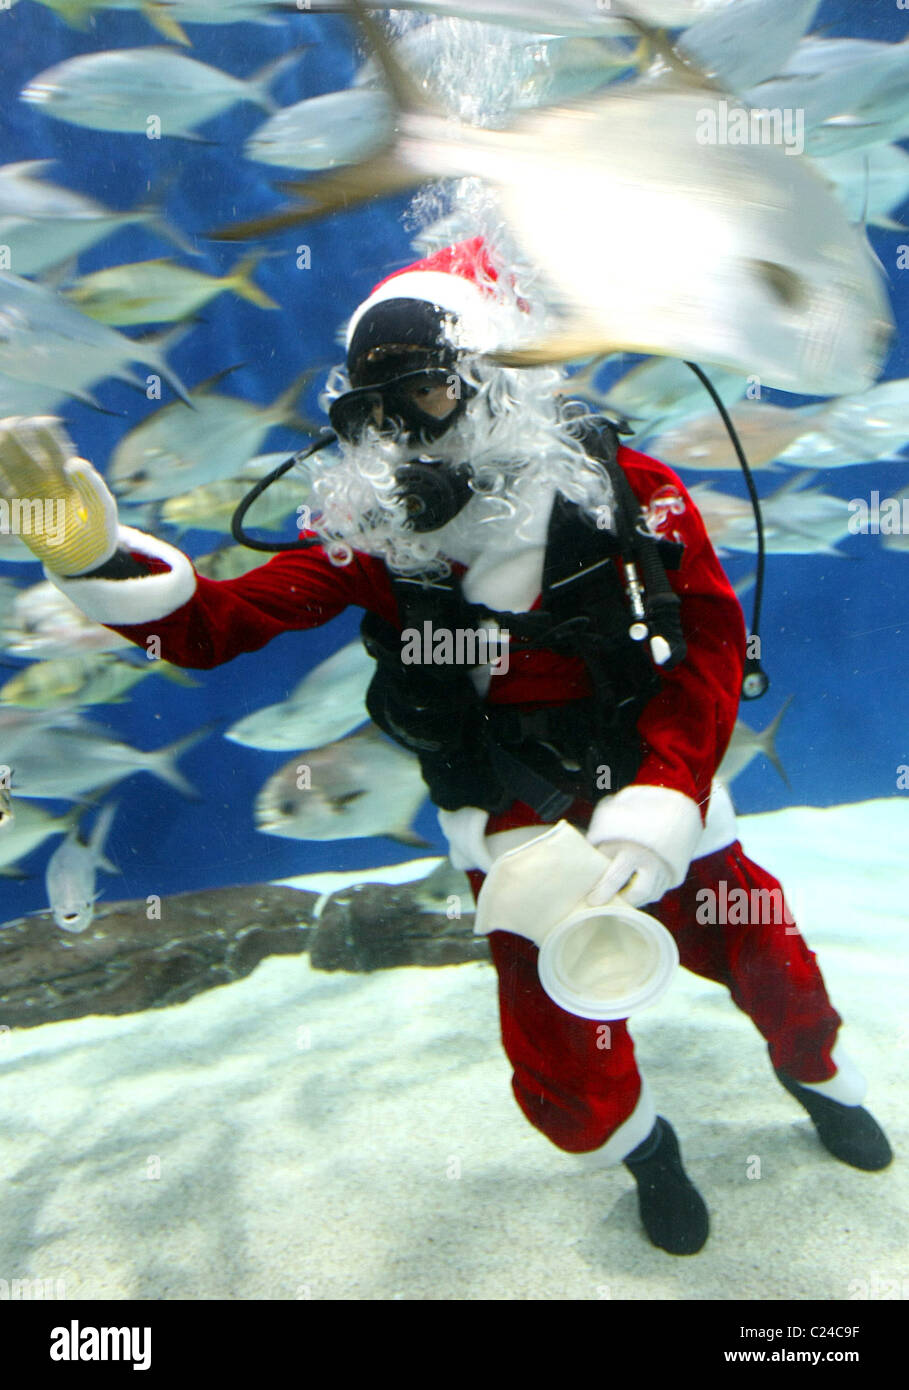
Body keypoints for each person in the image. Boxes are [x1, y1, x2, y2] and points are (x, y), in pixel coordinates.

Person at [0, 237, 892, 1257]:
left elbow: (713, 650)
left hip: (663, 794)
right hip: (511, 836)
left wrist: (662, 805)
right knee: (565, 1064)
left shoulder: (630, 490)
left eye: (419, 395)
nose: (397, 433)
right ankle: (643, 1148)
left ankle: (817, 1077)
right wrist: (96, 559)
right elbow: (217, 625)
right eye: (370, 411)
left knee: (776, 970)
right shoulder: (374, 528)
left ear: (489, 379)